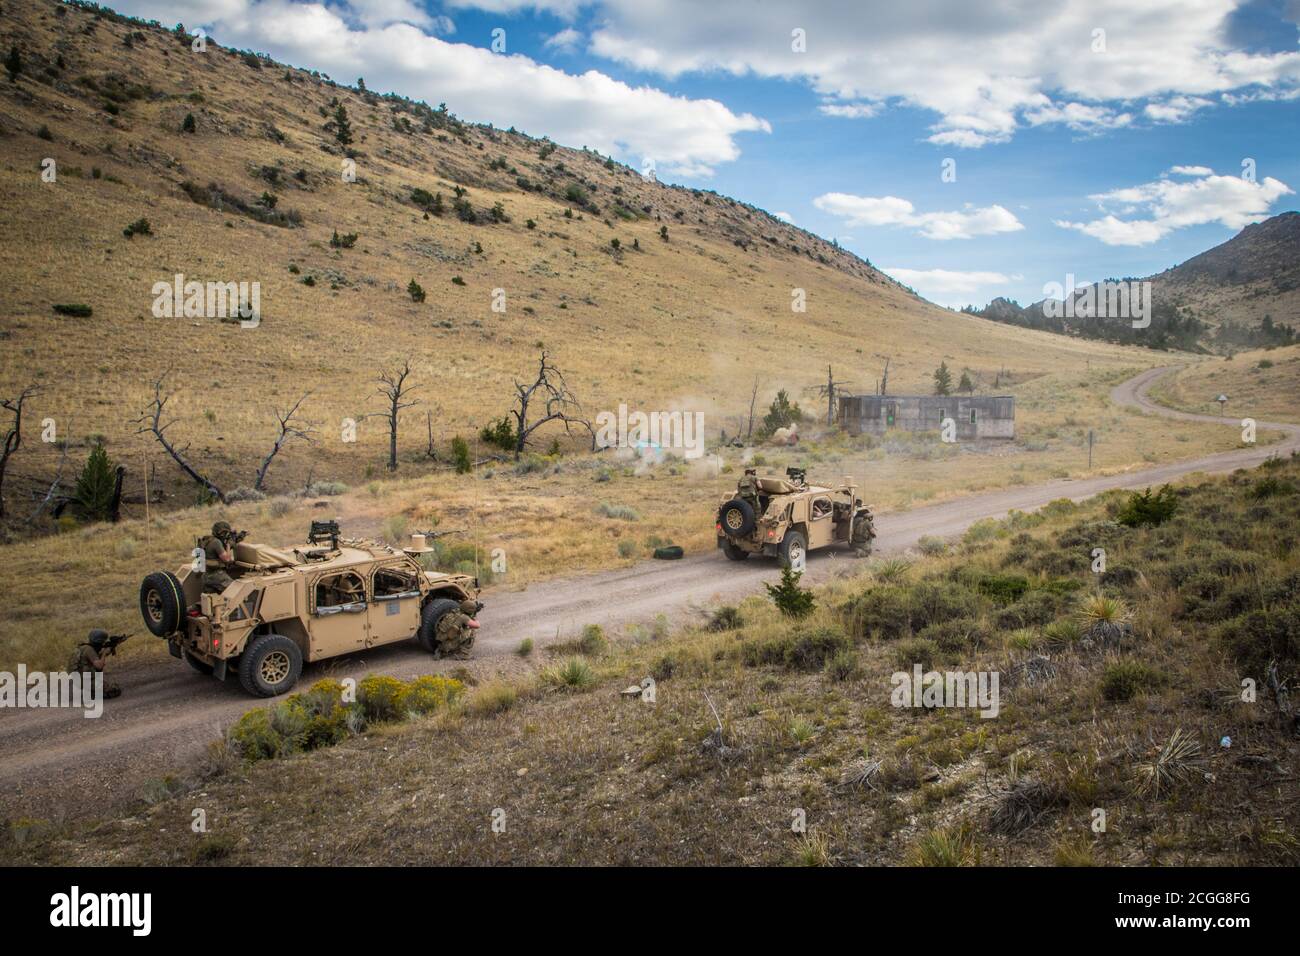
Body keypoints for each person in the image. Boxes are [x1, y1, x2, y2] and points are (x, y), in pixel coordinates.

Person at [68, 629, 122, 699]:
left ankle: (92, 691)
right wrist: (104, 653)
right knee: (114, 690)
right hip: (85, 681)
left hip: (77, 680)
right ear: (100, 642)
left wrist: (110, 648)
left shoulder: (82, 648)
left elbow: (96, 657)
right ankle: (94, 692)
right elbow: (99, 666)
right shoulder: (89, 650)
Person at [199, 520, 238, 594]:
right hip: (217, 576)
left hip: (206, 575)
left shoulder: (208, 540)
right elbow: (227, 559)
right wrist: (228, 545)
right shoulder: (216, 542)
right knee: (236, 592)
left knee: (211, 600)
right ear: (222, 533)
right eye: (226, 533)